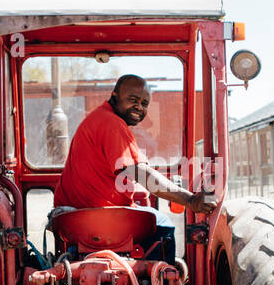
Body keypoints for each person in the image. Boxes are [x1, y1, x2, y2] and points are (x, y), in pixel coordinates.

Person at [52, 74, 216, 258]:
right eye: (132, 100)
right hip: (97, 215)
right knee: (163, 224)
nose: (139, 107)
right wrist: (190, 200)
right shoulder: (112, 123)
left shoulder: (98, 119)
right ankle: (162, 281)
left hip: (71, 218)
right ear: (114, 96)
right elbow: (140, 172)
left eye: (144, 103)